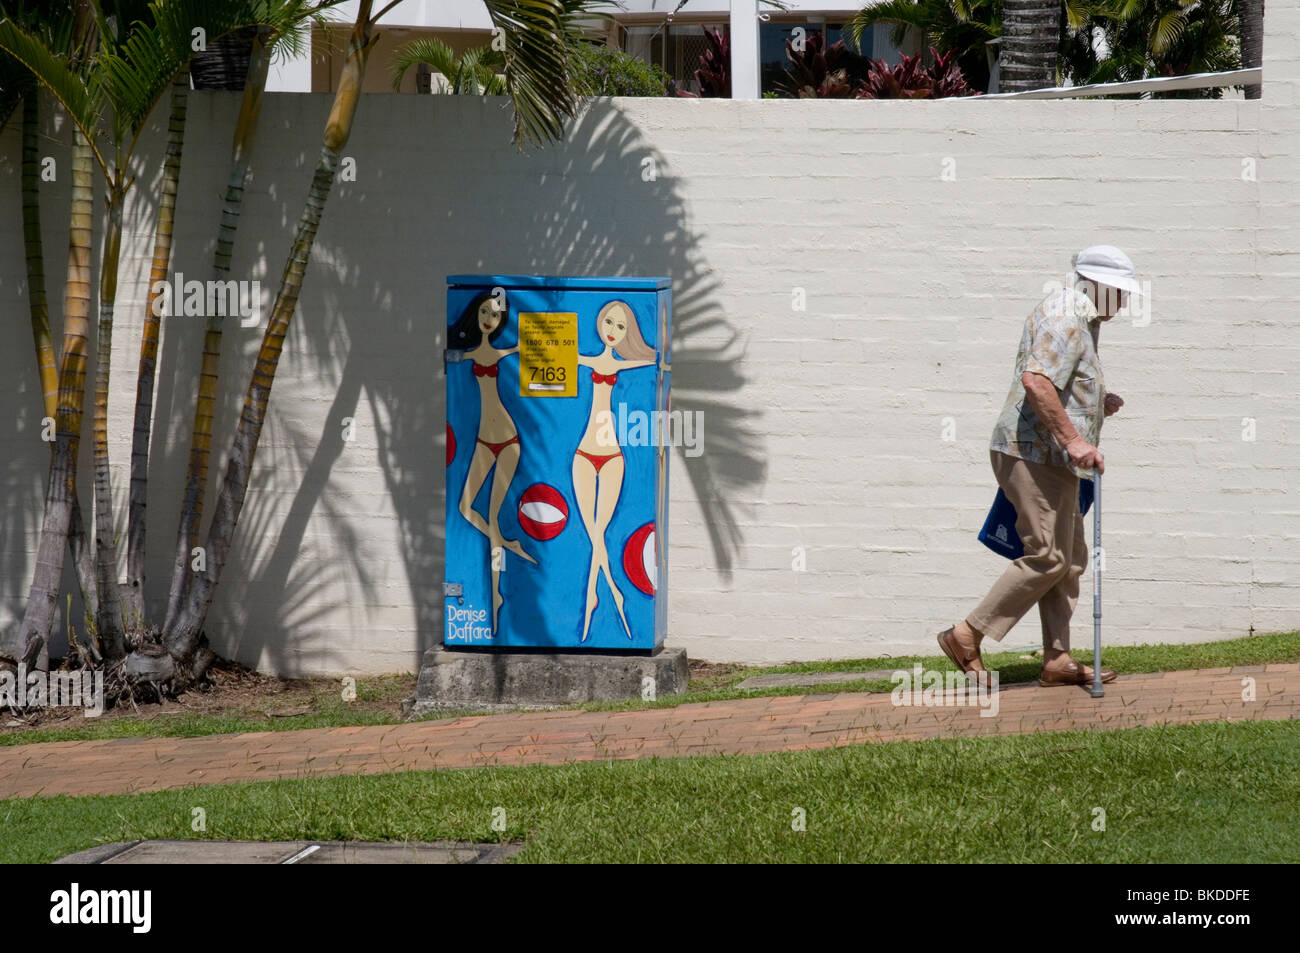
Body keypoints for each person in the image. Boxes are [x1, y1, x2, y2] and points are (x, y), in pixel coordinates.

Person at [938, 246, 1142, 687]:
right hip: (1034, 453)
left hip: (1049, 455)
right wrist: (1073, 439)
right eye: (1121, 293)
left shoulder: (1079, 316)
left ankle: (1056, 659)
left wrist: (1095, 405)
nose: (1124, 303)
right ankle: (966, 634)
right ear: (1099, 285)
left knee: (1067, 560)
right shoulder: (1067, 316)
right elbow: (1037, 381)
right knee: (1048, 555)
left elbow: (1054, 381)